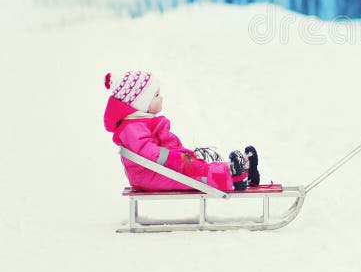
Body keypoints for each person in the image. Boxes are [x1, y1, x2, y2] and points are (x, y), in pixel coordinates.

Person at [103, 70, 261, 192]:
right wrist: (176, 158)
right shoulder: (132, 128)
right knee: (196, 176)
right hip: (150, 174)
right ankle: (233, 180)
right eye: (156, 95)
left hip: (157, 169)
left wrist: (182, 155)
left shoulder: (140, 123)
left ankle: (242, 170)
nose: (161, 98)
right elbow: (149, 152)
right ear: (141, 103)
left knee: (201, 168)